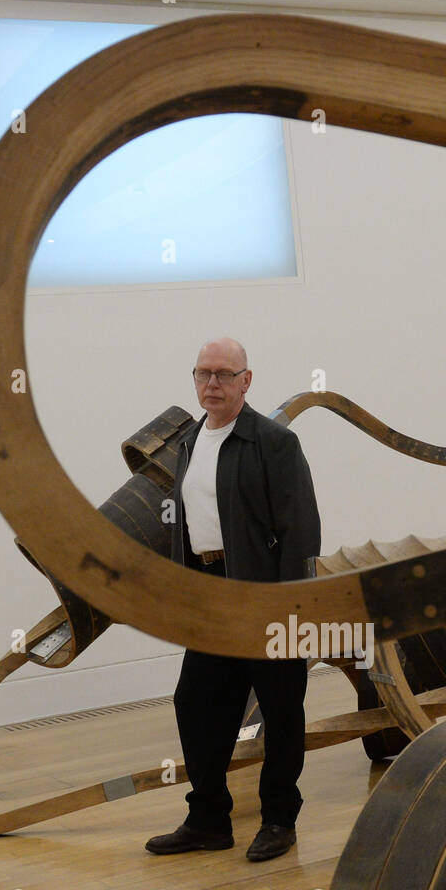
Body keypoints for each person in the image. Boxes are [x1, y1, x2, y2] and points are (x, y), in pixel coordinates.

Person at [145, 338, 322, 862]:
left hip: (265, 597)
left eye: (225, 374)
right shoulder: (189, 441)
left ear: (247, 380)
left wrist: (289, 607)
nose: (213, 384)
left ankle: (278, 820)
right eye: (203, 374)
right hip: (210, 596)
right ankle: (208, 821)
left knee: (280, 708)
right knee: (195, 703)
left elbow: (301, 530)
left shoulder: (274, 443)